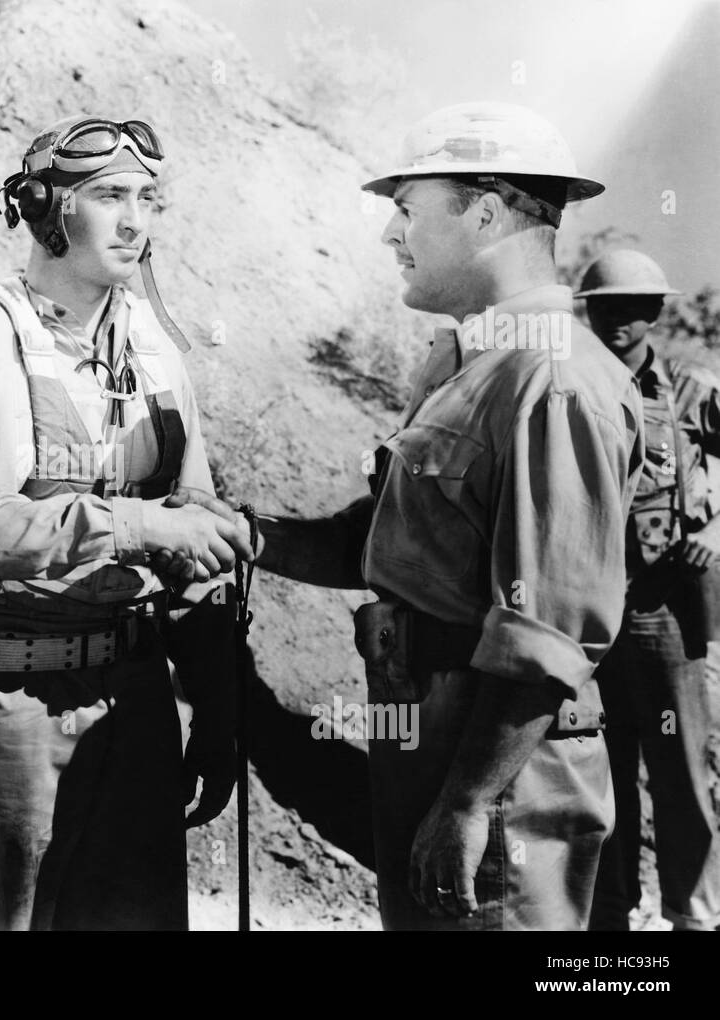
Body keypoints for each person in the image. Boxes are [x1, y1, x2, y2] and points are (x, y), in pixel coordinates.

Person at [249, 102, 644, 929]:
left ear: (487, 213)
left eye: (407, 211)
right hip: (439, 744)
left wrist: (468, 804)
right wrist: (243, 534)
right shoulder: (469, 361)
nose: (391, 237)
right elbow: (382, 545)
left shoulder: (552, 376)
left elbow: (551, 631)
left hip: (503, 777)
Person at [0, 115, 253, 930]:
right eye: (110, 196)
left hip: (137, 703)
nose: (136, 220)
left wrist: (221, 714)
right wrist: (131, 525)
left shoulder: (159, 349)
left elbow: (195, 539)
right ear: (45, 210)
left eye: (147, 198)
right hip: (5, 700)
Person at [576, 249, 720, 931]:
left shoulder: (694, 390)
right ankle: (611, 920)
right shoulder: (569, 388)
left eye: (632, 307)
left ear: (656, 313)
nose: (616, 321)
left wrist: (718, 532)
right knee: (600, 772)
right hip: (586, 607)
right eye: (603, 307)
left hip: (668, 608)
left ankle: (693, 916)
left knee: (684, 773)